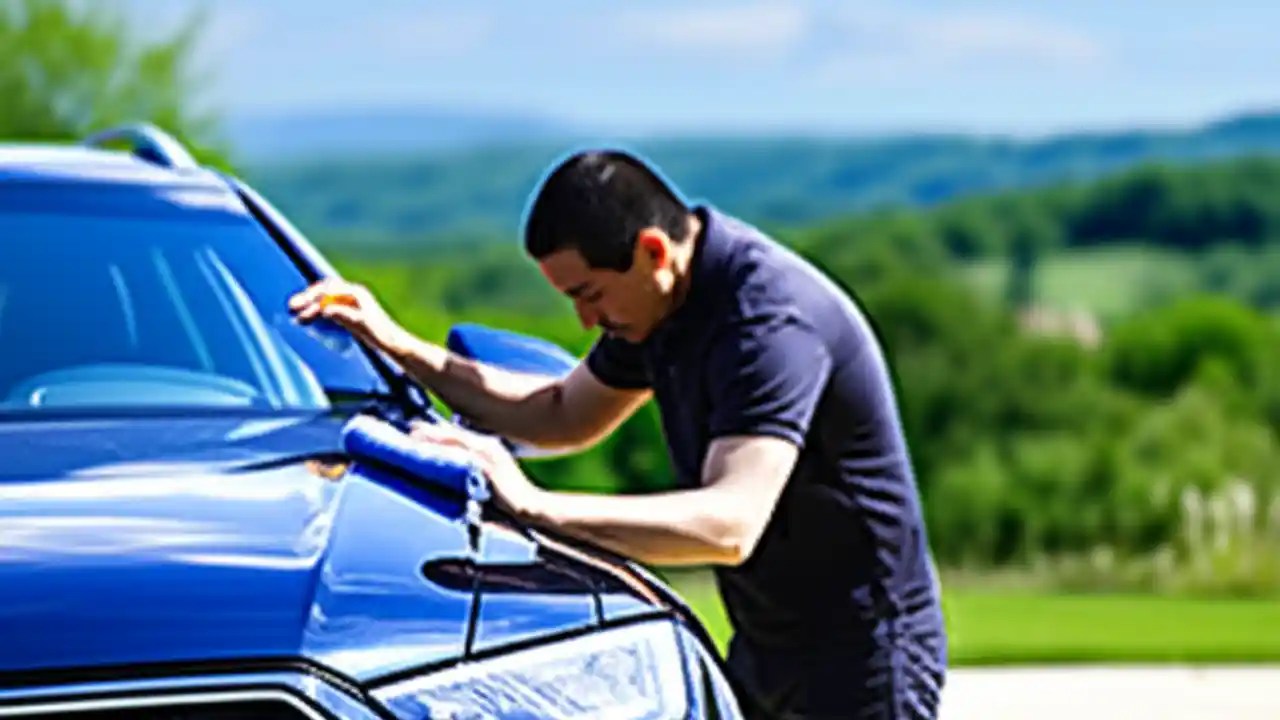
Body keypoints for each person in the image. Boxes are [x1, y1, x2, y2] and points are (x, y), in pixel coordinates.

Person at [289, 149, 947, 719]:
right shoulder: (660, 305)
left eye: (590, 293)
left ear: (652, 252)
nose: (584, 321)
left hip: (862, 654)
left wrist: (532, 503)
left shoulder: (766, 324)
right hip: (766, 646)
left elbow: (729, 525)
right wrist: (396, 341)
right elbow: (558, 412)